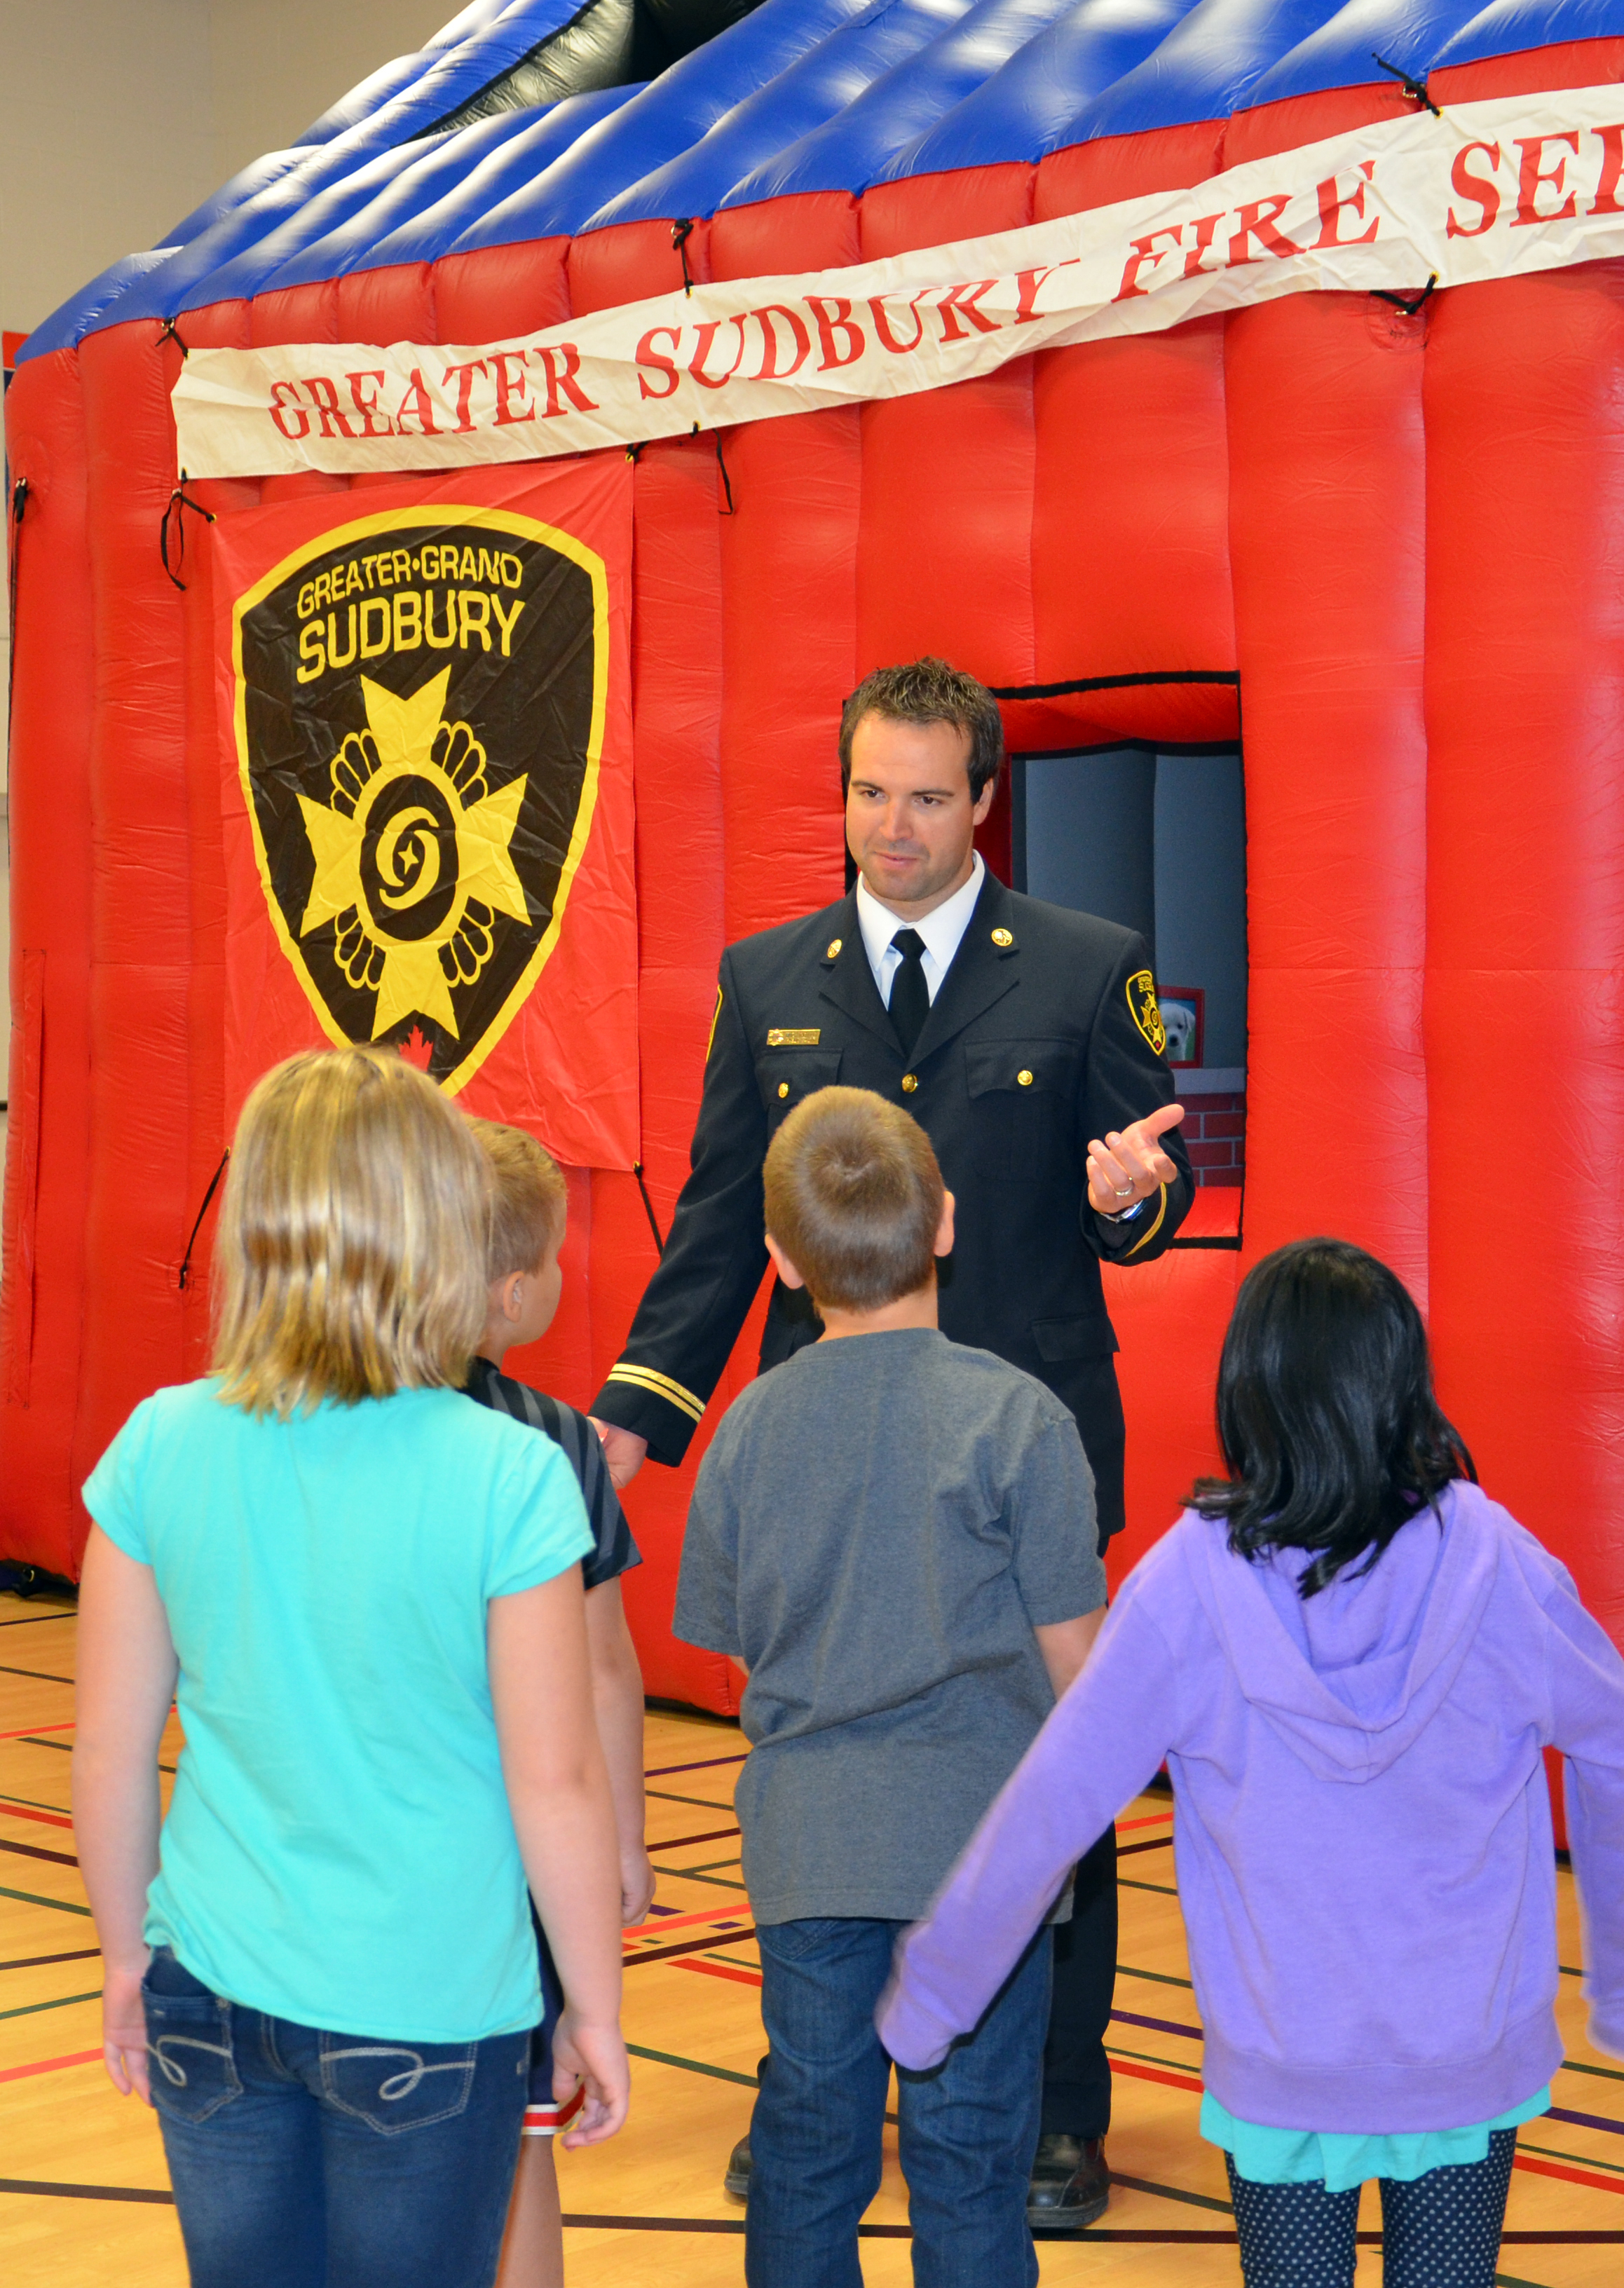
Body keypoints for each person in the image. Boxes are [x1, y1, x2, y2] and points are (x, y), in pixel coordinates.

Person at [592, 655, 1194, 2221]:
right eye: (869, 791)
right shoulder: (768, 980)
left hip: (1024, 1452)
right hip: (833, 1462)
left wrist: (1141, 1200)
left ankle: (1057, 2109)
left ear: (983, 799)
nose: (893, 826)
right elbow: (721, 1229)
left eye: (927, 796)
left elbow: (1145, 1187)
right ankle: (820, 2090)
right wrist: (627, 1431)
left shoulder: (1084, 966)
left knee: (1047, 1765)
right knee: (824, 1765)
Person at [878, 1237, 1624, 2288]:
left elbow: (1053, 1801)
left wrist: (935, 1992)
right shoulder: (1497, 1566)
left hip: (1284, 2065)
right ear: (1400, 1387)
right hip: (1463, 2057)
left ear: (1247, 1395)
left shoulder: (1185, 1587)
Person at [71, 1049, 631, 2288]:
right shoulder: (508, 1473)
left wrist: (125, 1957)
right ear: (442, 1230)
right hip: (430, 2009)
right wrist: (592, 2006)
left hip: (207, 1993)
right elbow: (558, 1783)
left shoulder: (161, 1442)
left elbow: (110, 1754)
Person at [673, 1086, 1109, 2288]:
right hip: (987, 1852)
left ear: (778, 1259)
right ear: (947, 1224)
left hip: (813, 1849)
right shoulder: (1020, 1418)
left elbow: (737, 1642)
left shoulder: (748, 1428)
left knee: (810, 2154)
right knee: (970, 2160)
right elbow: (1085, 1674)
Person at [464, 1119, 655, 2288]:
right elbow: (603, 1672)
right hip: (511, 1854)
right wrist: (624, 1842)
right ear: (513, 1288)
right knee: (521, 2145)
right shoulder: (549, 1440)